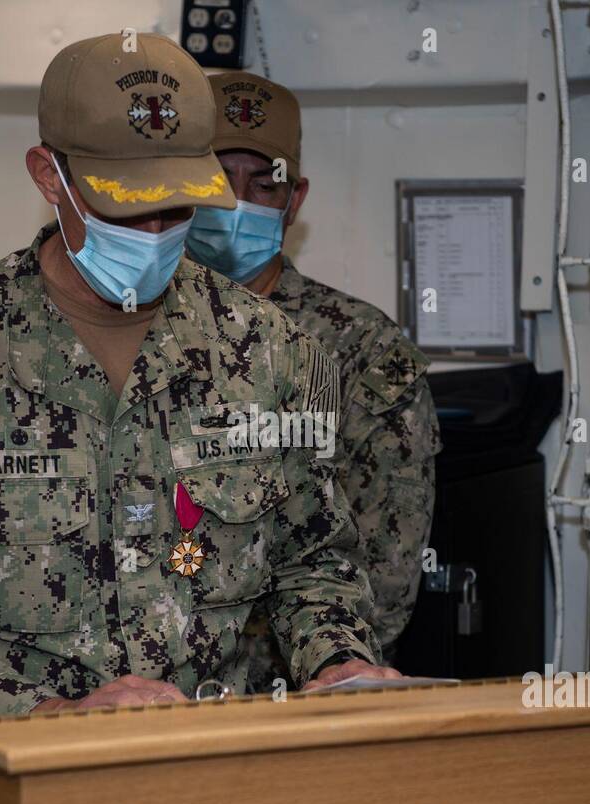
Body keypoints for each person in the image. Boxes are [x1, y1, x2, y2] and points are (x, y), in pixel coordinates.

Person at [0, 32, 399, 735]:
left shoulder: (269, 351)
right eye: (127, 206)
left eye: (180, 206)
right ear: (48, 176)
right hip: (8, 791)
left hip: (213, 776)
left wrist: (337, 660)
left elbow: (312, 561)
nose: (155, 230)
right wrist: (48, 713)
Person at [185, 72, 440, 690]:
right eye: (217, 180)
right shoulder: (129, 325)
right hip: (149, 693)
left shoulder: (362, 350)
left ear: (294, 200)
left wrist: (315, 678)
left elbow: (387, 573)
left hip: (296, 693)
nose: (235, 202)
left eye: (263, 183)